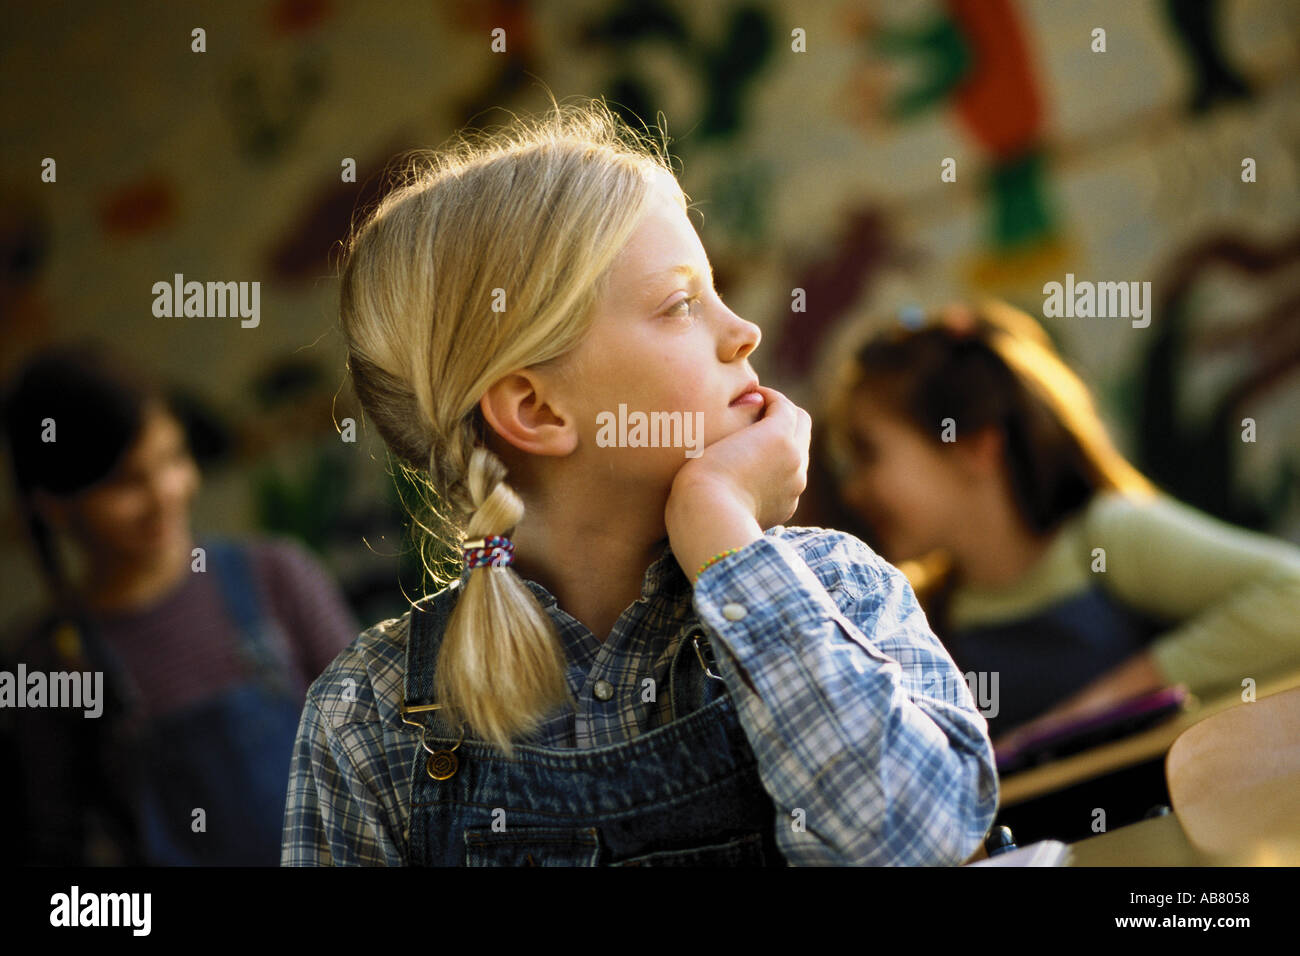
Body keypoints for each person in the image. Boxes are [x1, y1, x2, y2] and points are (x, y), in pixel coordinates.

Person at [280, 97, 999, 867]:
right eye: (682, 303)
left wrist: (722, 529)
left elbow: (923, 841)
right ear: (536, 408)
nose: (744, 330)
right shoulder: (367, 719)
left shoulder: (833, 588)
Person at [822, 300, 1300, 751]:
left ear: (975, 447)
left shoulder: (1107, 537)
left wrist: (1101, 705)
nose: (853, 490)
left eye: (867, 454)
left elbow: (1291, 592)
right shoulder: (924, 615)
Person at [0, 341, 360, 864]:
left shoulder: (277, 577)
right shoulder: (47, 661)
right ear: (54, 505)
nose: (165, 492)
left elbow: (373, 752)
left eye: (171, 458)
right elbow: (56, 849)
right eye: (126, 482)